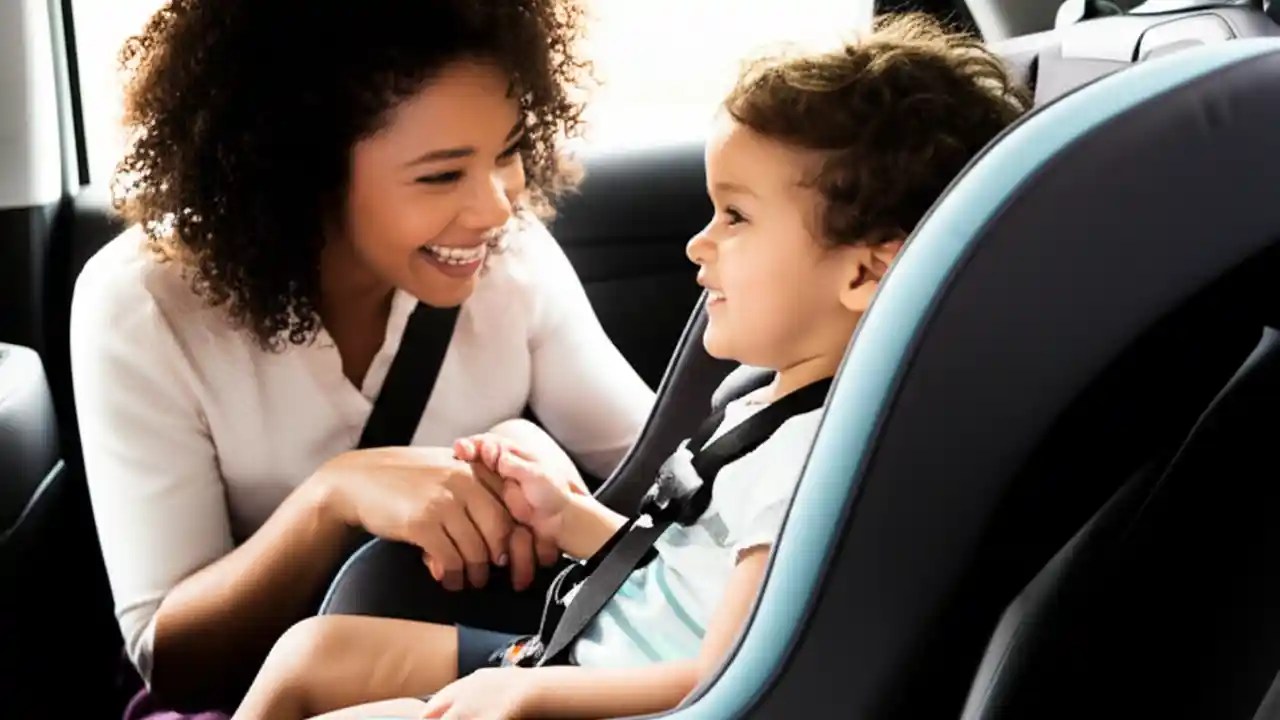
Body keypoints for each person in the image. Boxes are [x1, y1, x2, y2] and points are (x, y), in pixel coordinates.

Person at [227, 13, 1033, 720]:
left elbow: (732, 674)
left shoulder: (804, 464)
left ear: (862, 274)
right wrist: (565, 517)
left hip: (609, 695)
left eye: (735, 217)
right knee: (312, 654)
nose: (697, 243)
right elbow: (689, 578)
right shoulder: (767, 398)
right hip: (583, 651)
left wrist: (531, 693)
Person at [68, 0, 654, 713]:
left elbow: (670, 481)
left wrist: (545, 481)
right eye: (442, 176)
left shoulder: (513, 255)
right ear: (304, 174)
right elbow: (174, 662)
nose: (498, 206)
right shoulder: (142, 305)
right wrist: (333, 499)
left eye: (509, 152)